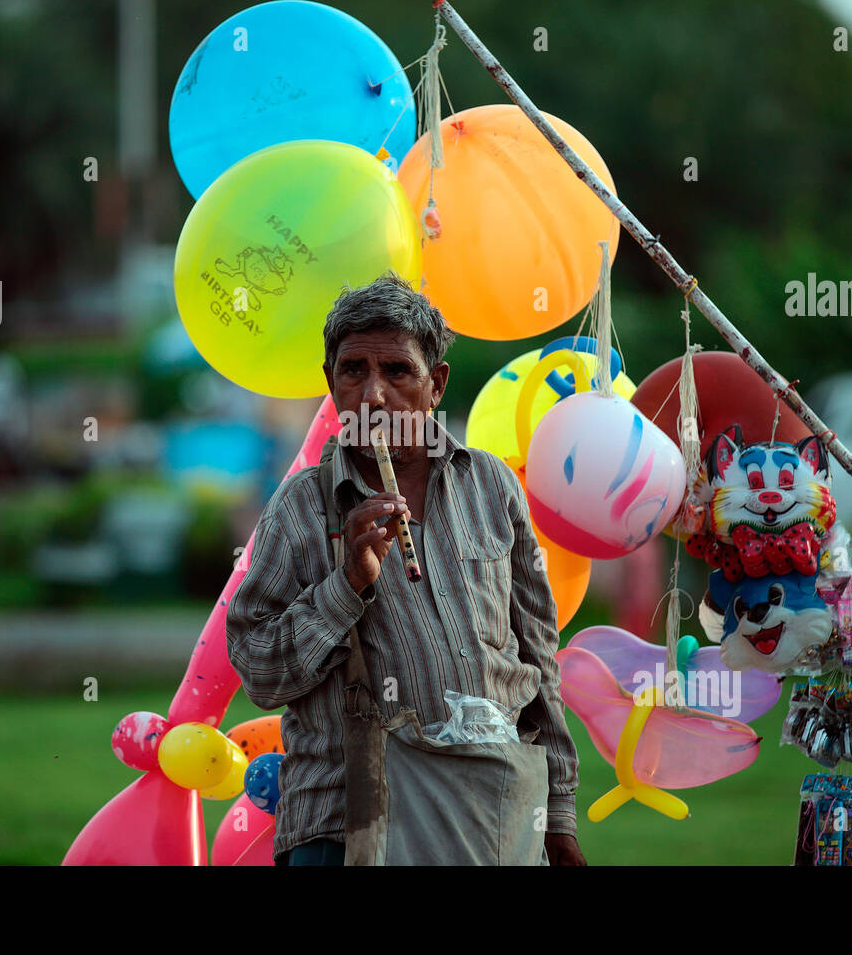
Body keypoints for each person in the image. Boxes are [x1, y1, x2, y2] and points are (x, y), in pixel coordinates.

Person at [225, 271, 586, 866]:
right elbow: (260, 675)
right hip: (345, 827)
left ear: (436, 382)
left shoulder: (492, 485)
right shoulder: (301, 507)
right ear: (330, 383)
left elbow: (537, 661)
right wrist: (347, 585)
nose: (372, 396)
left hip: (492, 818)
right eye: (353, 370)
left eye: (396, 371)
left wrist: (561, 816)